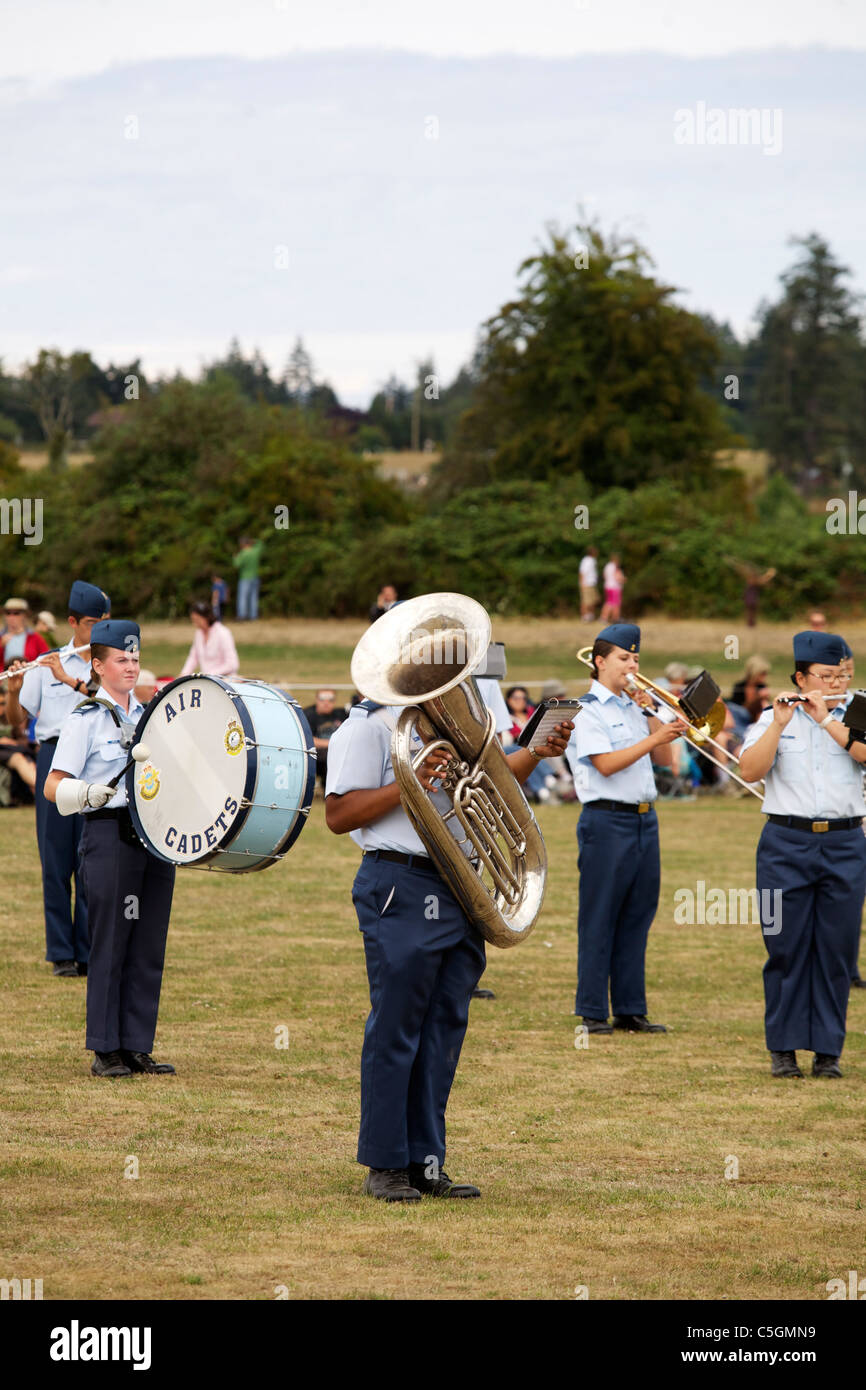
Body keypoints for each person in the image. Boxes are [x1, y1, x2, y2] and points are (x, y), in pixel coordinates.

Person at [324, 622, 573, 1202]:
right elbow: (338, 816)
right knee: (397, 1027)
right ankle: (385, 1164)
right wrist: (410, 782)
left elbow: (489, 783)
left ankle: (426, 1160)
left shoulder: (449, 730)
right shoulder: (367, 728)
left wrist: (533, 753)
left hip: (457, 884)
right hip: (399, 884)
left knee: (443, 1030)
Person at [44, 619, 177, 1079]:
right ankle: (105, 1048)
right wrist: (86, 793)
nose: (131, 666)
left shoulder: (152, 717)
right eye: (122, 659)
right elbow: (52, 785)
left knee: (147, 941)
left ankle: (137, 1044)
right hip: (109, 832)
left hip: (153, 836)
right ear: (97, 665)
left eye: (136, 658)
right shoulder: (84, 719)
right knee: (111, 940)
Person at [738, 631, 866, 1079]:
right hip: (785, 843)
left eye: (839, 675)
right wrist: (779, 723)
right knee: (785, 947)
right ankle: (784, 1048)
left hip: (845, 842)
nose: (834, 683)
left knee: (836, 949)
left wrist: (827, 719)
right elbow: (750, 770)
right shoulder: (775, 717)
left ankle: (828, 1051)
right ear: (800, 675)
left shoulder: (857, 711)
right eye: (824, 676)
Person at [565, 623, 686, 1034]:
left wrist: (656, 716)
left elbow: (668, 758)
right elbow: (606, 764)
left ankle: (631, 1009)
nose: (632, 665)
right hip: (606, 819)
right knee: (600, 916)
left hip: (643, 819)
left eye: (635, 658)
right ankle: (593, 1011)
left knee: (638, 915)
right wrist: (654, 740)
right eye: (623, 658)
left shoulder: (637, 707)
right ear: (599, 662)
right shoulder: (587, 709)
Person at [4, 581, 110, 977]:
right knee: (54, 858)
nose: (98, 630)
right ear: (72, 622)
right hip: (52, 756)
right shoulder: (46, 662)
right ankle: (61, 952)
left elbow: (106, 702)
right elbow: (17, 723)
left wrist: (68, 677)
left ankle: (88, 950)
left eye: (103, 622)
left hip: (93, 761)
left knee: (90, 857)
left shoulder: (105, 663)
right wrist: (14, 692)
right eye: (90, 623)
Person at [302, 687, 348, 789]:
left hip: (338, 751)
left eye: (331, 699)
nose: (326, 703)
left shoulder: (341, 714)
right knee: (330, 756)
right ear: (317, 699)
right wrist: (331, 743)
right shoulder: (308, 715)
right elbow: (305, 739)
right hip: (315, 755)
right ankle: (329, 790)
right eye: (322, 699)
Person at [179, 602, 240, 679]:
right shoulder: (199, 634)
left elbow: (232, 664)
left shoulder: (223, 633)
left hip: (224, 681)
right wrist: (183, 674)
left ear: (207, 617)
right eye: (193, 620)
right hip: (207, 680)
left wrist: (209, 674)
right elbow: (193, 657)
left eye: (197, 620)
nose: (195, 624)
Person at [0, 687, 37, 804]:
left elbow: (24, 739)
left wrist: (12, 742)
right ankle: (42, 790)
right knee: (20, 758)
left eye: (3, 703)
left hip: (11, 751)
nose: (1, 707)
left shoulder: (11, 718)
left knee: (26, 759)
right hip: (8, 753)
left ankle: (41, 799)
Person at [0, 597, 49, 672]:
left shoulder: (35, 638)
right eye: (8, 613)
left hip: (29, 679)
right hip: (4, 680)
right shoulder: (1, 637)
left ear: (25, 616)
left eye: (16, 613)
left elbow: (47, 659)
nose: (11, 617)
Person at [232, 537, 264, 621]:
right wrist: (253, 540)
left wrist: (235, 557)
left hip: (245, 578)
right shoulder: (255, 551)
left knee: (243, 597)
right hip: (255, 577)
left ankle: (242, 615)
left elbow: (236, 565)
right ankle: (253, 616)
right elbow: (261, 543)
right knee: (254, 598)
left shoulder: (243, 553)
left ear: (242, 544)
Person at [600, 555, 625, 623]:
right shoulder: (614, 567)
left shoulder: (607, 566)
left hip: (608, 586)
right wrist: (623, 579)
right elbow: (618, 577)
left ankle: (604, 617)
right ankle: (615, 618)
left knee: (609, 602)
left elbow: (604, 576)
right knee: (615, 603)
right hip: (614, 587)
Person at [579, 547, 599, 622]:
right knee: (585, 601)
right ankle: (584, 617)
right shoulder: (586, 560)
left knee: (593, 601)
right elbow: (582, 572)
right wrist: (582, 584)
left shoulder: (592, 560)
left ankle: (590, 616)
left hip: (592, 583)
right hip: (586, 584)